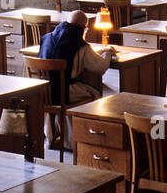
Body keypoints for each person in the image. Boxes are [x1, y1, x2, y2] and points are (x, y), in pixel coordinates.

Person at [37, 11, 113, 145]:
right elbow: (100, 68)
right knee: (96, 94)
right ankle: (80, 140)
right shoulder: (79, 45)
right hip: (66, 92)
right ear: (84, 28)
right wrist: (108, 52)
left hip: (45, 92)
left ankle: (52, 135)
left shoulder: (47, 38)